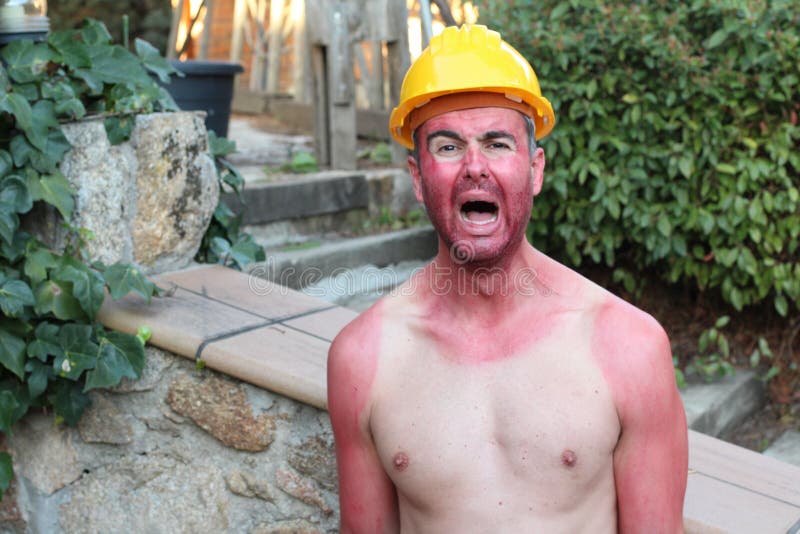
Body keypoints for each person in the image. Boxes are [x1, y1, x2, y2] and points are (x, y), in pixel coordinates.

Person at [327, 24, 688, 533]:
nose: (474, 167)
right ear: (417, 178)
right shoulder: (363, 359)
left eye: (497, 143)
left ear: (535, 169)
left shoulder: (628, 346)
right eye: (448, 147)